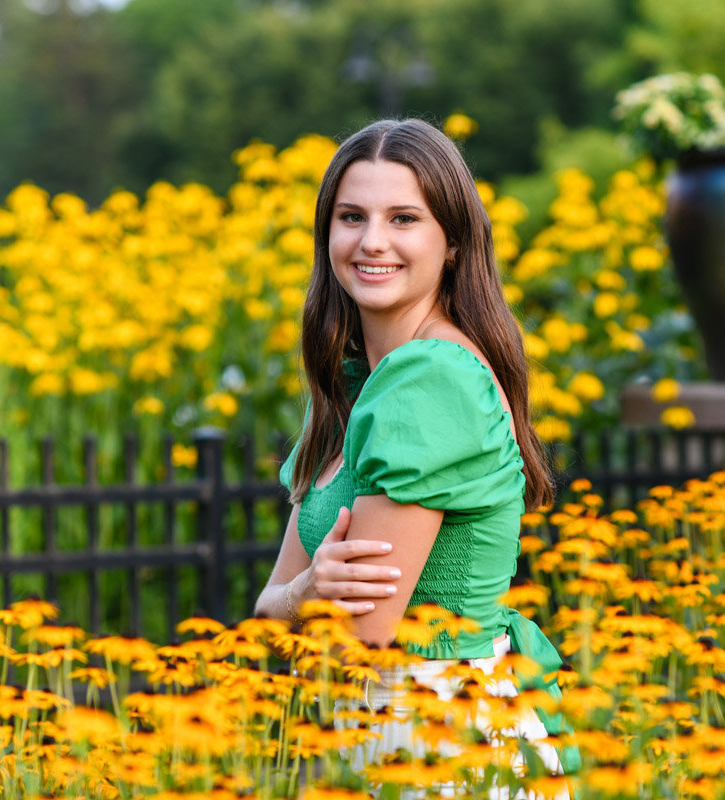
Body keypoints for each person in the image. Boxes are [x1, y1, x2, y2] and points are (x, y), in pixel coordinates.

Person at [254, 118, 576, 786]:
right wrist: (305, 595)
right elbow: (266, 618)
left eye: (404, 218)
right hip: (375, 731)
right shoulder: (354, 389)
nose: (372, 241)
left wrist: (298, 602)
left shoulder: (429, 380)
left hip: (435, 736)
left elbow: (361, 638)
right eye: (351, 217)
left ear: (453, 243)